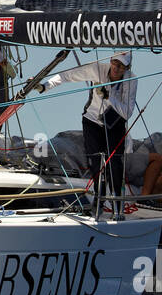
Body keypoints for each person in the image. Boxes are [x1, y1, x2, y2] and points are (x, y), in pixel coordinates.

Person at [40, 50, 136, 216]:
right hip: (92, 121)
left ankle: (118, 205)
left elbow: (127, 112)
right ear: (111, 60)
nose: (116, 68)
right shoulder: (97, 69)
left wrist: (109, 96)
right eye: (115, 62)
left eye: (121, 66)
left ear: (127, 67)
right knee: (95, 162)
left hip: (115, 123)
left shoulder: (131, 80)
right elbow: (68, 75)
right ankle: (99, 201)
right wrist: (45, 86)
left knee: (115, 164)